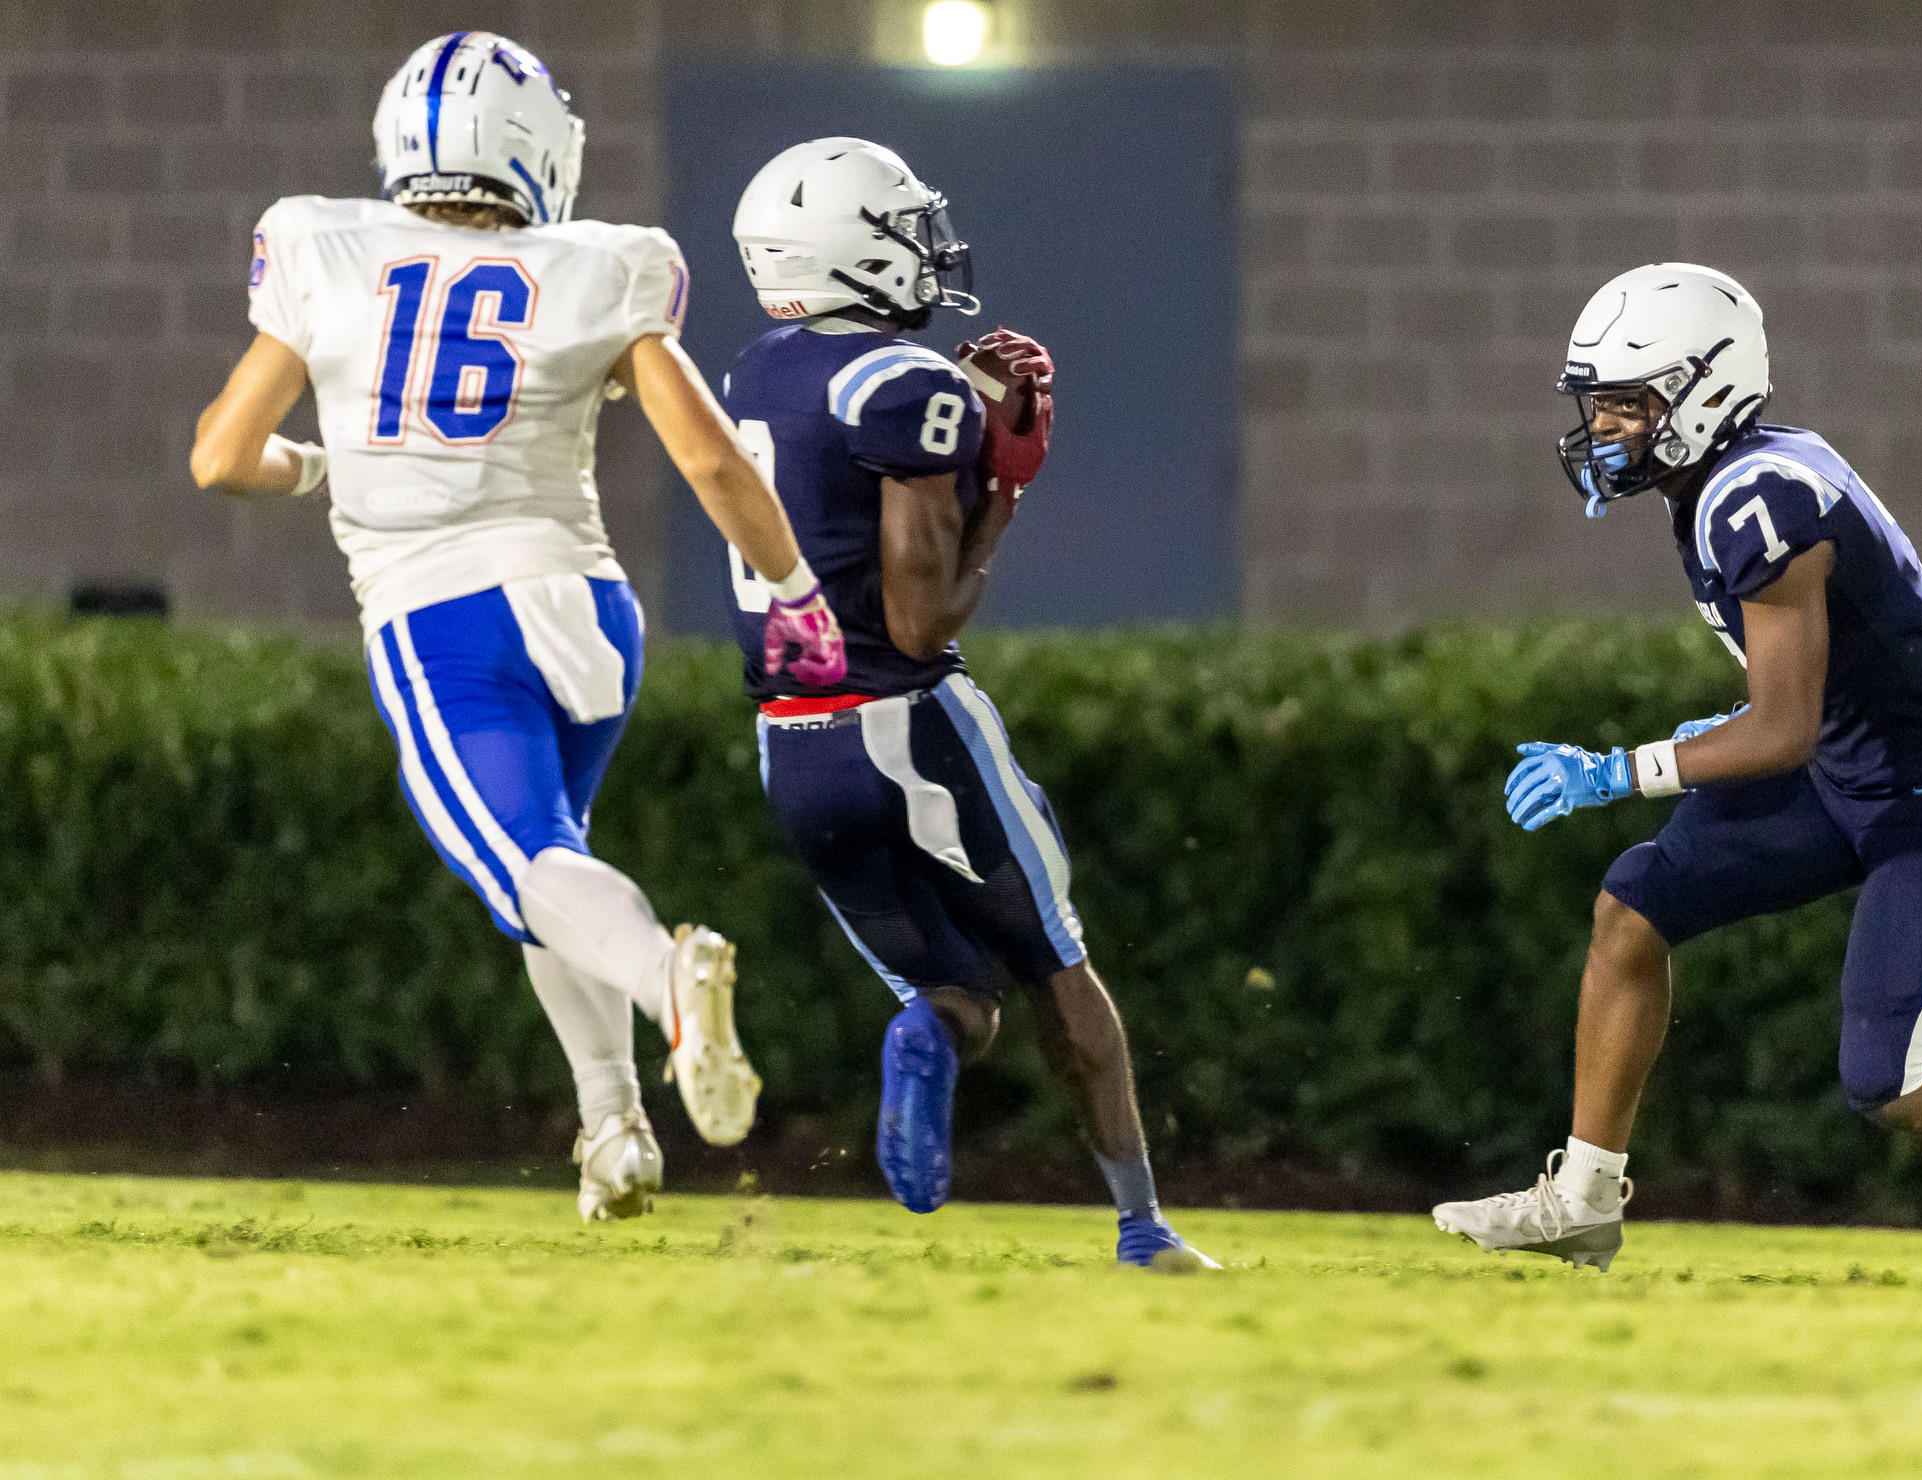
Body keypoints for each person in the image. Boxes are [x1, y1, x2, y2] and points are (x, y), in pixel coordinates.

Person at [188, 32, 847, 1223]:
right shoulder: (601, 264)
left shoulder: (322, 248)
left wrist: (320, 472)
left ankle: (670, 987)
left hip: (444, 621)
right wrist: (795, 589)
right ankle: (613, 1130)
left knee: (520, 867)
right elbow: (706, 454)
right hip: (590, 617)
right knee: (550, 863)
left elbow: (223, 456)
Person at [1431, 263, 1922, 1292]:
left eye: (1631, 402)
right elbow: (1808, 697)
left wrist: (1616, 768)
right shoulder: (1727, 481)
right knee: (1631, 906)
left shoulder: (1757, 498)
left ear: (1703, 389)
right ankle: (1581, 1201)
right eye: (1605, 404)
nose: (1608, 427)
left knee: (1885, 1079)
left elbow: (1781, 730)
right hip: (1839, 765)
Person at [714, 137, 1214, 1271]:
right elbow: (922, 619)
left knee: (955, 1000)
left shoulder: (754, 372)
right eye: (901, 232)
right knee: (1054, 965)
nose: (926, 252)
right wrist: (1004, 485)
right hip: (906, 725)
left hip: (789, 745)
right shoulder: (906, 388)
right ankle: (1143, 1226)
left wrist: (973, 457)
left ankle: (920, 1034)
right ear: (848, 252)